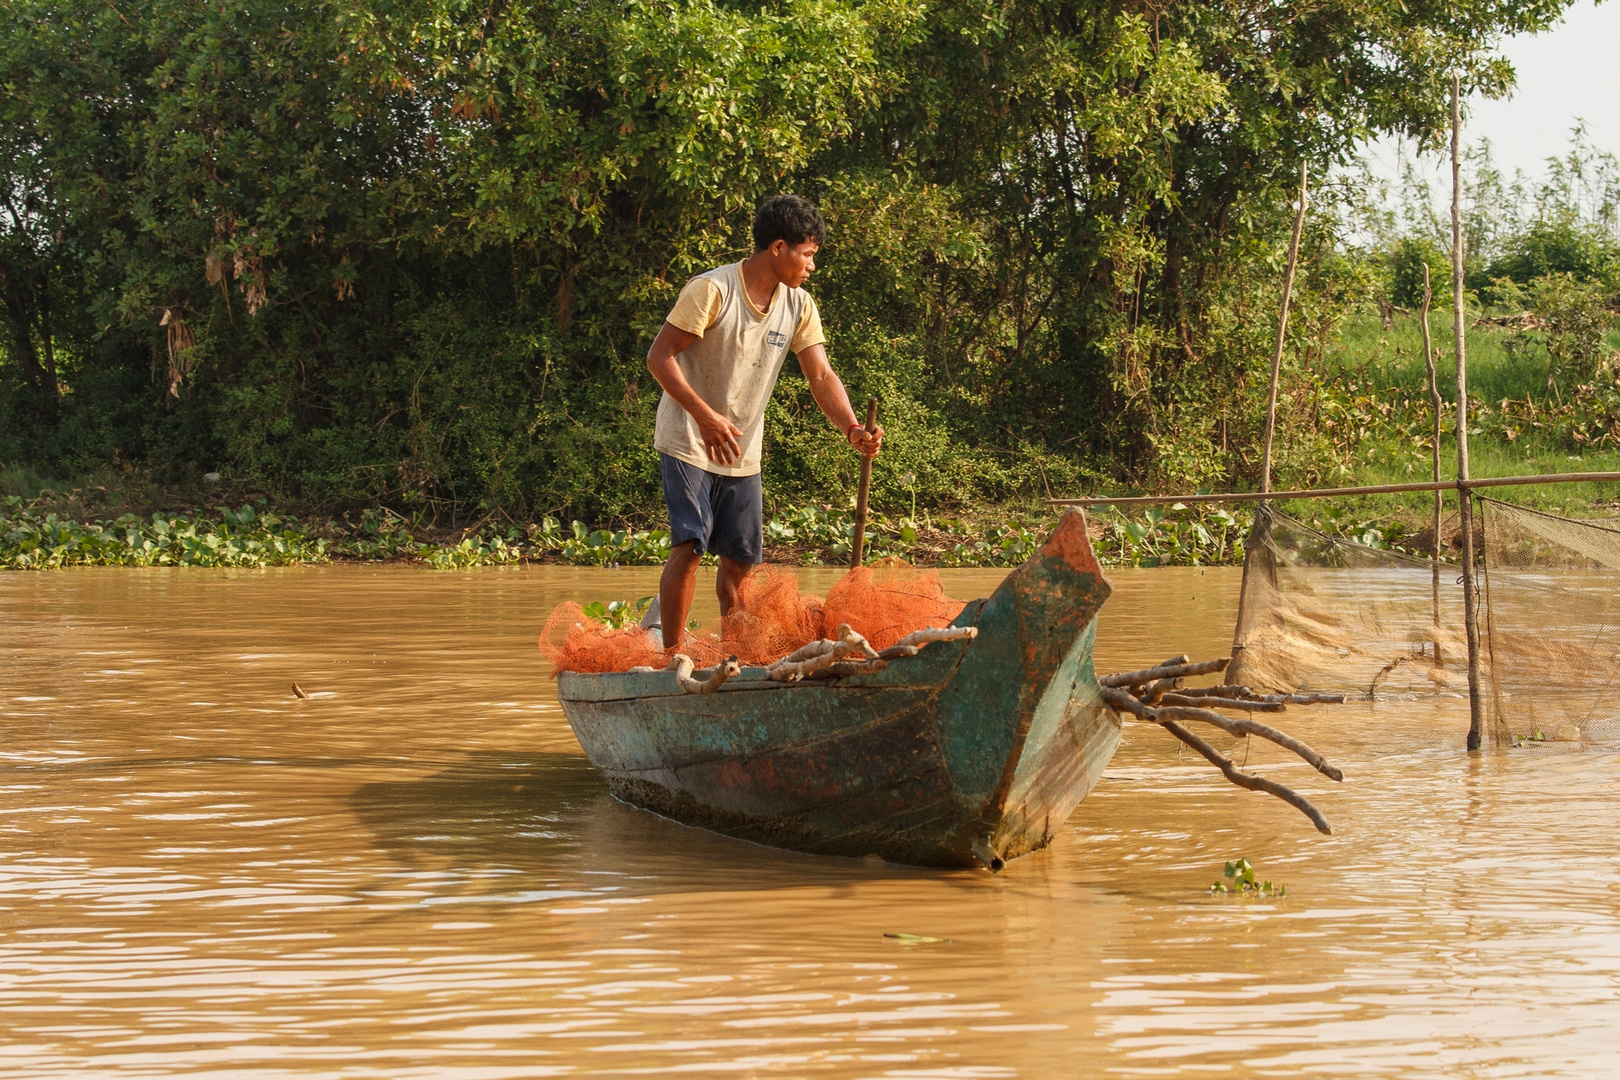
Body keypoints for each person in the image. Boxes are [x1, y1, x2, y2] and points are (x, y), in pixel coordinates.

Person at [646, 194, 882, 650]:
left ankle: (734, 653)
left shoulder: (799, 305)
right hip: (689, 439)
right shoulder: (713, 290)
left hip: (742, 449)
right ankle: (671, 657)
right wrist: (705, 416)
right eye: (808, 254)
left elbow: (821, 375)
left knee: (738, 564)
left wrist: (853, 429)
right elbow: (660, 356)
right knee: (691, 548)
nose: (812, 266)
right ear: (778, 248)